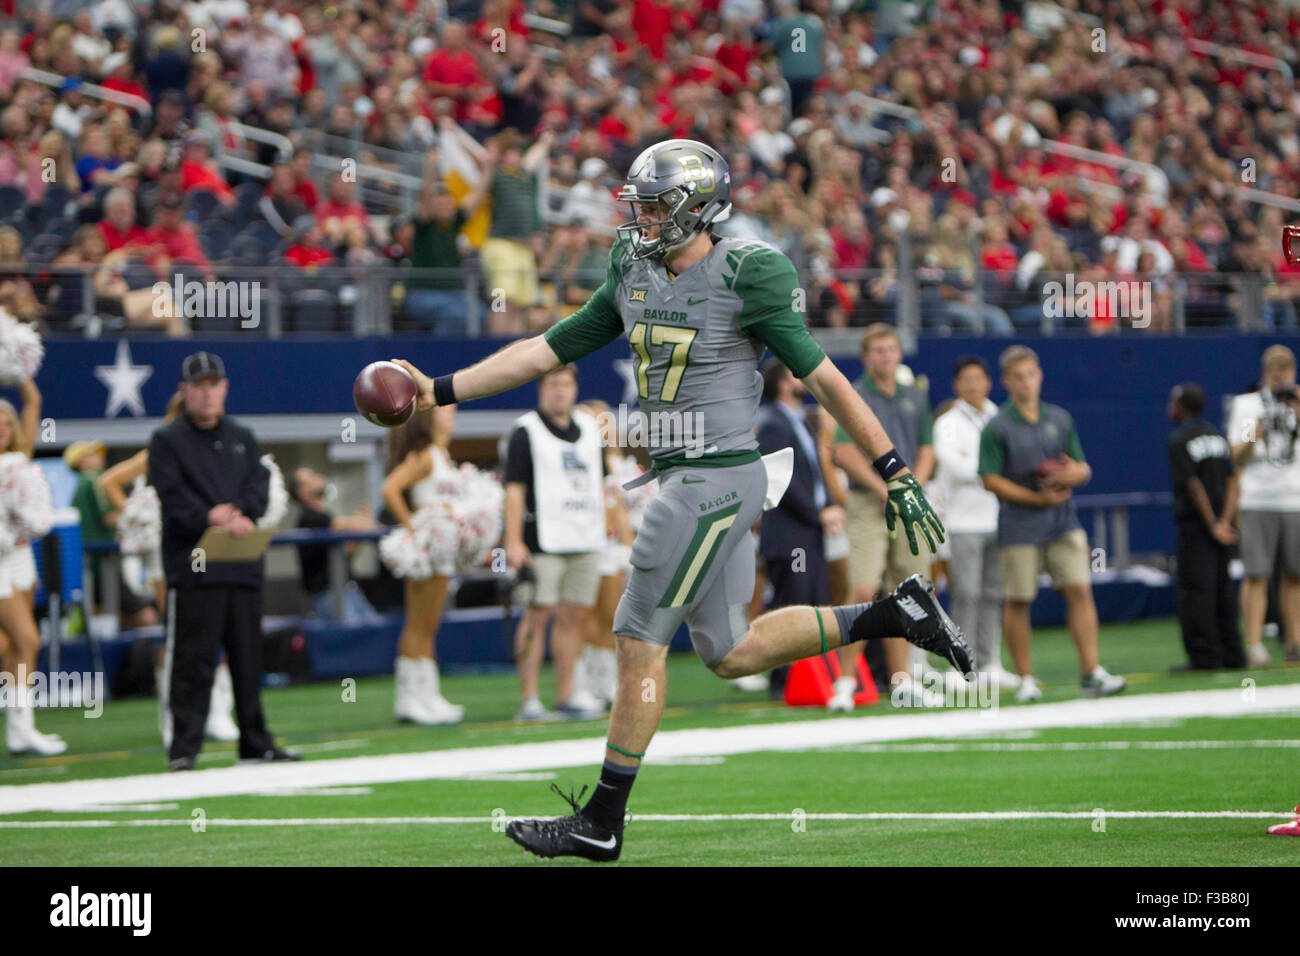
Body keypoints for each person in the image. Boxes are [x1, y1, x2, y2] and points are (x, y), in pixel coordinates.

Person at [393, 139, 964, 862]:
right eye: (641, 204)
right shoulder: (632, 269)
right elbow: (547, 348)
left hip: (712, 477)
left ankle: (602, 819)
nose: (643, 217)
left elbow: (822, 378)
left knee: (637, 642)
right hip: (690, 477)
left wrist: (892, 465)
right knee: (728, 651)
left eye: (657, 204)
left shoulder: (749, 271)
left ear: (699, 207)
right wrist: (438, 390)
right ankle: (893, 612)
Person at [148, 352, 298, 771]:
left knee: (248, 658)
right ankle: (184, 747)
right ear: (185, 391)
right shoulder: (167, 441)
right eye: (199, 386)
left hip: (241, 563)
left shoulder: (242, 437)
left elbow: (259, 483)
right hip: (194, 567)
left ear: (224, 388)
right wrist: (210, 515)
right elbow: (171, 494)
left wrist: (241, 513)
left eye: (214, 385)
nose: (207, 393)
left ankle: (255, 741)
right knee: (192, 660)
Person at [978, 345, 1126, 702]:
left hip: (1062, 520)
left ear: (1040, 375)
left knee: (1079, 589)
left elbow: (1082, 467)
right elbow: (989, 479)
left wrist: (1074, 473)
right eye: (1018, 377)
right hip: (1018, 523)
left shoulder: (1059, 418)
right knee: (1019, 598)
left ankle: (1091, 671)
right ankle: (1027, 678)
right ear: (1007, 382)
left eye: (1031, 374)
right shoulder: (997, 426)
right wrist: (1036, 498)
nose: (1026, 382)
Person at [832, 325, 937, 707]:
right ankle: (844, 683)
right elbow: (844, 453)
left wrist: (910, 488)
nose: (885, 356)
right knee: (863, 589)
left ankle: (902, 681)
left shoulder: (915, 395)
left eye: (891, 349)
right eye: (877, 350)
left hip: (907, 502)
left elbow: (927, 447)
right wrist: (886, 490)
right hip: (867, 503)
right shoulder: (855, 395)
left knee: (906, 591)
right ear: (866, 356)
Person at [502, 365, 607, 722]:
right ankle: (529, 698)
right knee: (537, 615)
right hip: (542, 539)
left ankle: (567, 693)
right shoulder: (525, 432)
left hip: (584, 534)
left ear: (575, 389)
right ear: (541, 389)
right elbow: (513, 490)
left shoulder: (591, 428)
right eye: (552, 384)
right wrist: (513, 540)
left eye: (565, 384)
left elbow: (601, 481)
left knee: (573, 617)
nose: (559, 391)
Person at [756, 359, 841, 704]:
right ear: (780, 383)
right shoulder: (775, 424)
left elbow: (815, 475)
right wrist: (818, 512)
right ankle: (781, 680)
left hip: (806, 533)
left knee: (810, 601)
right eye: (794, 373)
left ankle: (804, 678)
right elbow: (783, 481)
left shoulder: (800, 422)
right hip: (791, 535)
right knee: (792, 603)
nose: (802, 378)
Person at [933, 356, 1017, 689]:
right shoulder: (948, 423)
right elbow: (954, 465)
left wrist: (984, 470)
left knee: (994, 592)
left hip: (999, 517)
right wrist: (990, 472)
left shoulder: (1000, 417)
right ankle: (960, 666)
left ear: (988, 382)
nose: (972, 385)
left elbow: (1014, 461)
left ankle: (990, 662)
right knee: (966, 593)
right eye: (965, 379)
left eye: (978, 378)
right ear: (957, 385)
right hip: (963, 521)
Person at [379, 405, 465, 725]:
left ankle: (428, 695)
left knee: (430, 623)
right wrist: (414, 528)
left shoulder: (442, 455)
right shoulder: (425, 454)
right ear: (428, 417)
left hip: (442, 549)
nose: (452, 413)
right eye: (446, 410)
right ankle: (408, 698)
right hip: (427, 548)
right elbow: (389, 488)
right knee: (418, 623)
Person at [1226, 345, 1300, 667]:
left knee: (1295, 575)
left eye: (1286, 371)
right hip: (1258, 497)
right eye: (1275, 372)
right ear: (1265, 374)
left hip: (1294, 497)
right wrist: (1256, 432)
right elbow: (1237, 455)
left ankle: (1295, 642)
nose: (1281, 378)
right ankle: (1254, 644)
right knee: (1257, 574)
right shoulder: (1248, 405)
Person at [1168, 382, 1244, 671]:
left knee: (1195, 591)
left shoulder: (1179, 440)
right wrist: (1225, 520)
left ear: (1182, 405)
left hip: (1198, 527)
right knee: (1222, 589)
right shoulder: (1217, 435)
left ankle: (1204, 656)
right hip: (1223, 526)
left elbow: (1192, 484)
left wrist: (1212, 523)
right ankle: (1233, 654)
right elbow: (1233, 478)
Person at [67, 439, 158, 629]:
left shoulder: (80, 485)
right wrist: (143, 516)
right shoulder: (93, 479)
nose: (100, 456)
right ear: (80, 461)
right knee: (147, 618)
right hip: (103, 566)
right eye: (92, 453)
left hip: (91, 568)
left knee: (102, 617)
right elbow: (108, 517)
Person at [291, 468, 382, 625]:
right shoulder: (308, 519)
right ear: (302, 492)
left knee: (375, 634)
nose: (318, 476)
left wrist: (358, 533)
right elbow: (350, 525)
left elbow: (347, 552)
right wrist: (363, 524)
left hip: (350, 590)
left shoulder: (324, 516)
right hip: (330, 595)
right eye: (311, 477)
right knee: (352, 642)